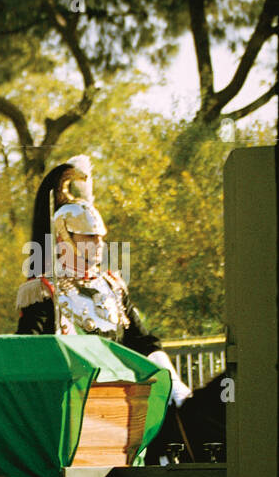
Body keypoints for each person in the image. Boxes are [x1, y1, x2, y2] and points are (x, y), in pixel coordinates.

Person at [14, 154, 192, 406]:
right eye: (90, 237)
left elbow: (143, 341)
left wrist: (173, 381)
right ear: (65, 238)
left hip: (120, 400)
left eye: (100, 237)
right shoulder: (43, 292)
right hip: (66, 403)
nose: (99, 244)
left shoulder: (113, 286)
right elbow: (28, 354)